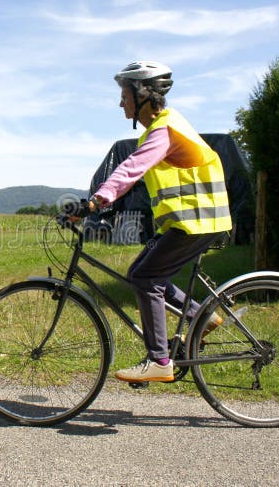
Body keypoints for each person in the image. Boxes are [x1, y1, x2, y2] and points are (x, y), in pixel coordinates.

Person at [87, 60, 233, 383]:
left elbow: (132, 168)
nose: (120, 102)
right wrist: (110, 202)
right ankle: (201, 316)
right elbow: (136, 177)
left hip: (197, 222)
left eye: (124, 94)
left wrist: (98, 198)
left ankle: (159, 360)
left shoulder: (163, 130)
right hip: (192, 222)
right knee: (140, 272)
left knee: (146, 278)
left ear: (142, 95)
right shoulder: (161, 129)